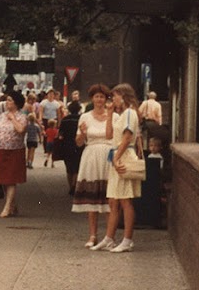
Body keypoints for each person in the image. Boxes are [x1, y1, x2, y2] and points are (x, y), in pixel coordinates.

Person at [94, 83, 142, 253]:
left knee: (125, 200)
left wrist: (116, 158)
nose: (112, 99)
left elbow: (127, 138)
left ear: (123, 96)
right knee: (114, 200)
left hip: (123, 156)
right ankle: (109, 238)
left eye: (115, 96)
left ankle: (127, 240)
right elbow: (109, 135)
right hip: (117, 155)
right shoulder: (122, 114)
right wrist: (109, 115)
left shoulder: (129, 113)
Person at [72, 84, 114, 248]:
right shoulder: (85, 117)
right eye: (96, 96)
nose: (99, 100)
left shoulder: (113, 116)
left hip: (108, 156)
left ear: (106, 99)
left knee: (109, 198)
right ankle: (92, 235)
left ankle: (109, 237)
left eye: (102, 97)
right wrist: (82, 133)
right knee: (92, 198)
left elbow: (115, 138)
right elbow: (78, 143)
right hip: (91, 156)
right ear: (92, 99)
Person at [0, 92, 28, 217]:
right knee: (3, 179)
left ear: (16, 103)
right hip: (1, 149)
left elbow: (21, 130)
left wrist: (13, 119)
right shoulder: (2, 116)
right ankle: (13, 204)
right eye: (7, 100)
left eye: (10, 100)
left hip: (14, 150)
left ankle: (7, 207)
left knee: (11, 179)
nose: (7, 102)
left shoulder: (22, 117)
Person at [56, 101, 83, 194]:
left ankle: (70, 185)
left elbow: (60, 134)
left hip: (66, 145)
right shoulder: (81, 119)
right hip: (78, 145)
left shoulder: (65, 119)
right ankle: (74, 185)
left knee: (69, 167)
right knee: (77, 166)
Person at [22, 91, 43, 167]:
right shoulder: (30, 106)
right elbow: (33, 117)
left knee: (27, 147)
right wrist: (40, 125)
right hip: (29, 124)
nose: (34, 102)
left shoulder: (24, 105)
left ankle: (26, 161)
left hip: (24, 124)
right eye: (34, 100)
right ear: (31, 99)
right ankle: (30, 162)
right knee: (32, 149)